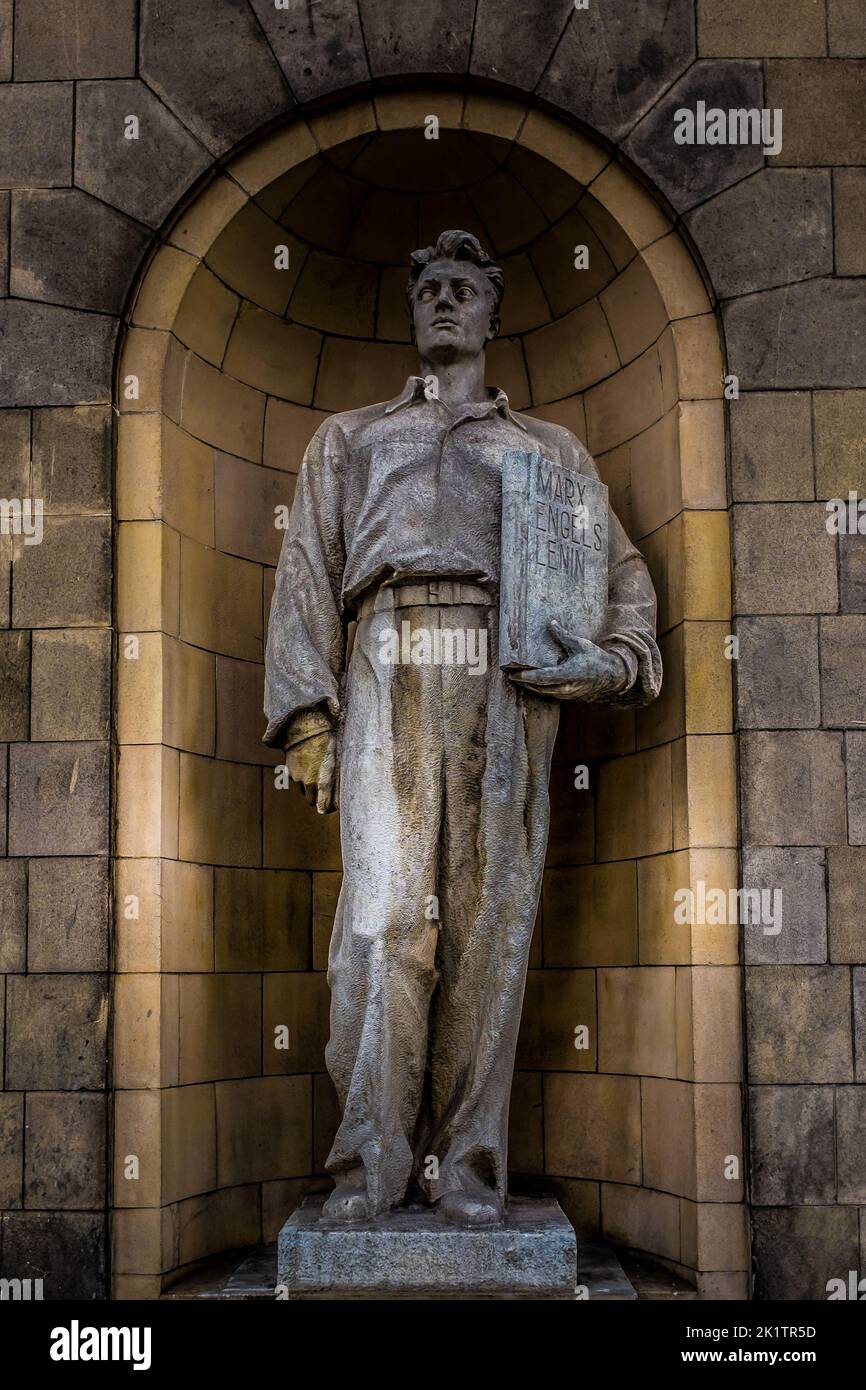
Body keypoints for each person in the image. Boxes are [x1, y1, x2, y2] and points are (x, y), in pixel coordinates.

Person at [263, 230, 662, 1227]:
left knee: (491, 928)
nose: (444, 302)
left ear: (492, 313)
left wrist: (607, 661)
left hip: (506, 672)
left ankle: (469, 1166)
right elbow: (306, 571)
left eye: (463, 290)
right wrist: (307, 716)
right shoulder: (349, 437)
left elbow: (622, 585)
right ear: (412, 311)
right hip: (388, 654)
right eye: (429, 288)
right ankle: (369, 1164)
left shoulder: (546, 451)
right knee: (380, 926)